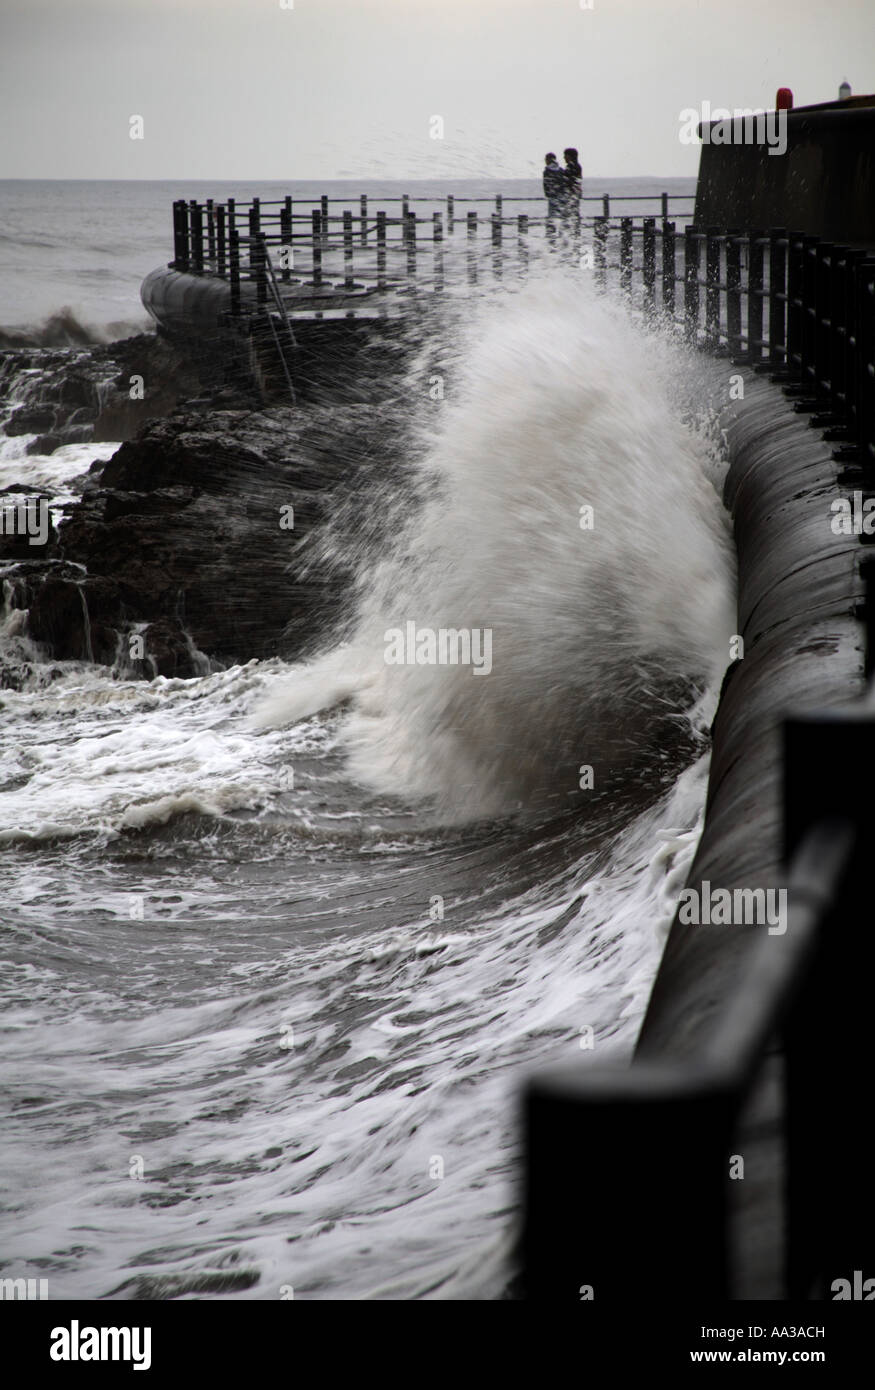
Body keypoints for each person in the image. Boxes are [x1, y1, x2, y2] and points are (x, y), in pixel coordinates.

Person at [542, 152, 566, 238]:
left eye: (546, 159)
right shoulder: (561, 170)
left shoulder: (547, 171)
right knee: (562, 217)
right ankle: (562, 235)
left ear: (549, 159)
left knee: (552, 218)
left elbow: (546, 185)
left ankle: (551, 237)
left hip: (552, 197)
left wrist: (548, 194)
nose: (545, 161)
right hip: (562, 197)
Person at [563, 147, 582, 222]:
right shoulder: (577, 166)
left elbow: (568, 181)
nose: (564, 157)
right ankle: (575, 231)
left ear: (570, 156)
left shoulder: (571, 166)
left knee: (569, 217)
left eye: (565, 155)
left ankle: (573, 232)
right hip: (575, 194)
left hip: (570, 195)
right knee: (574, 216)